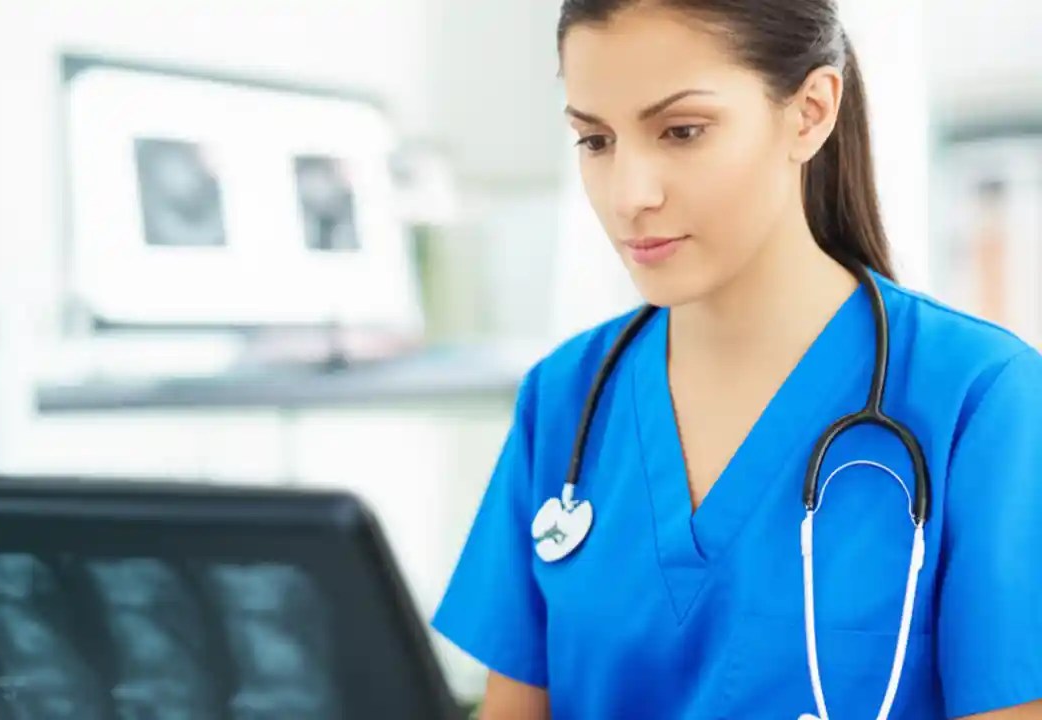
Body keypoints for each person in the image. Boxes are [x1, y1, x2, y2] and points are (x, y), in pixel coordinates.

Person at [431, 1, 1042, 718]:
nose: (631, 195)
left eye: (682, 132)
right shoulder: (565, 398)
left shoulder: (980, 397)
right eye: (596, 141)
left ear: (810, 112)